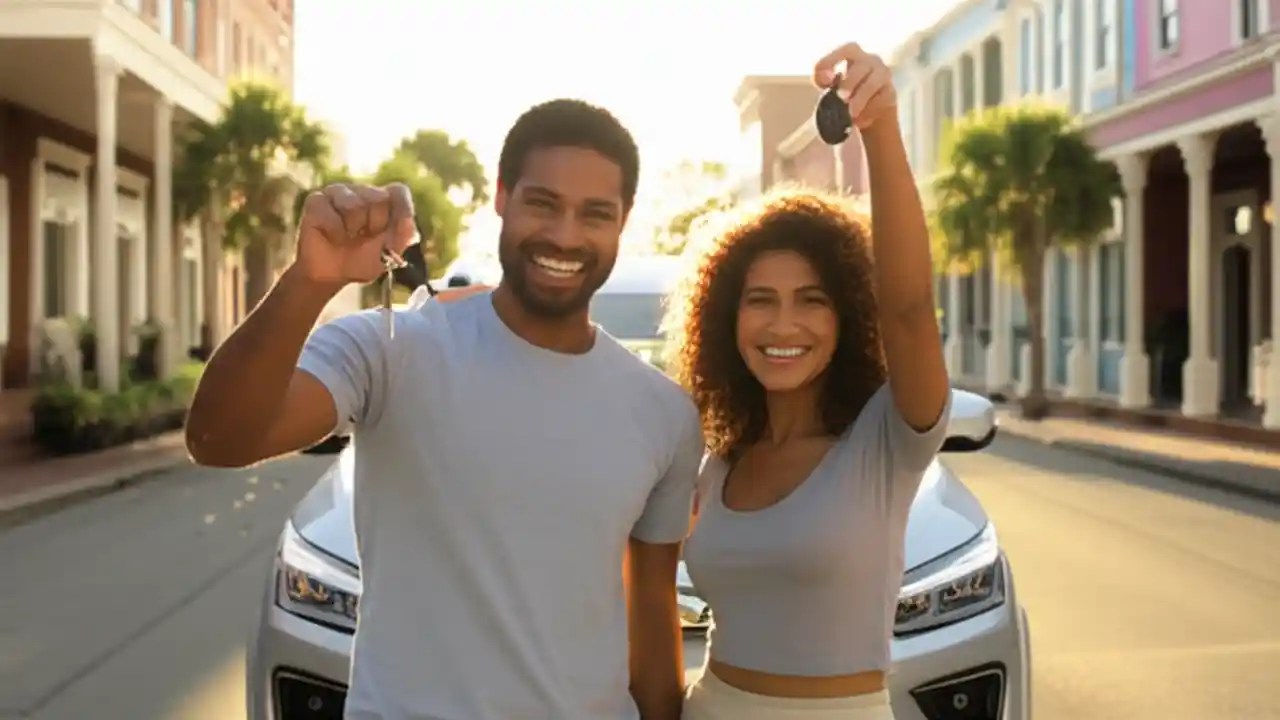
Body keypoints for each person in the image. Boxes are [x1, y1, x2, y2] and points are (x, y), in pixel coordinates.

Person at [185, 99, 703, 720]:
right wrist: (311, 280)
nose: (566, 235)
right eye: (543, 203)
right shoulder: (393, 348)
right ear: (502, 197)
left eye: (595, 214)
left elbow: (651, 629)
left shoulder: (663, 413)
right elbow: (219, 439)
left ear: (623, 222)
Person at [663, 42, 951, 720]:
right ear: (728, 319)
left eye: (811, 299)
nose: (783, 323)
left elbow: (908, 308)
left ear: (849, 315)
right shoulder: (717, 458)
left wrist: (880, 131)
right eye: (760, 299)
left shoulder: (886, 440)